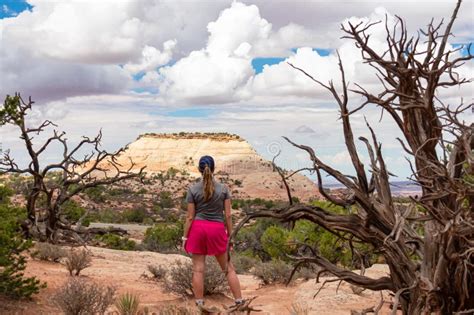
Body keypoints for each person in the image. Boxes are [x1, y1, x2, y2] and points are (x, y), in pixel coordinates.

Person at [182, 155, 243, 309]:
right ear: (214, 169)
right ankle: (239, 301)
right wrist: (230, 236)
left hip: (198, 229)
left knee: (198, 269)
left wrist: (184, 237)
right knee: (228, 268)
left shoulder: (192, 189)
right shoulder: (223, 189)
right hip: (217, 229)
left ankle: (200, 303)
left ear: (199, 169)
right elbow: (228, 215)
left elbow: (190, 217)